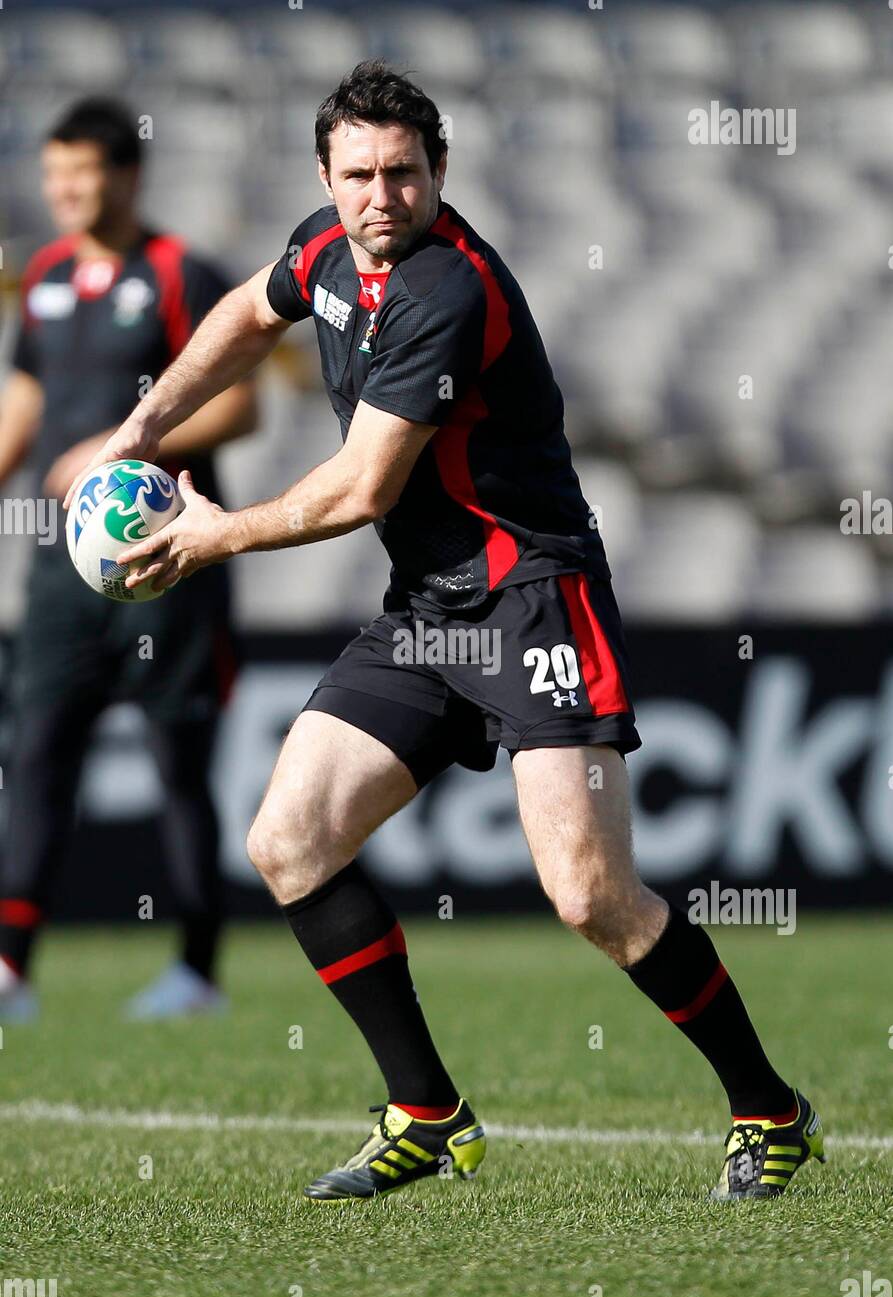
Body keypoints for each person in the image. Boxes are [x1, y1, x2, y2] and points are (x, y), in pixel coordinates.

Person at [66, 63, 825, 1200]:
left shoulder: (444, 289)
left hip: (530, 599)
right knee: (290, 840)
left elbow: (359, 488)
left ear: (440, 171)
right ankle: (426, 1114)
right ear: (325, 179)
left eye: (405, 173)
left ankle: (769, 1111)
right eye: (359, 175)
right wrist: (142, 423)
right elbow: (239, 315)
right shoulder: (324, 249)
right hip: (428, 609)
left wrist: (211, 535)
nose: (383, 197)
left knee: (589, 897)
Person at [0, 98, 257, 1020]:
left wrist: (116, 445)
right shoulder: (44, 276)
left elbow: (240, 405)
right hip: (57, 569)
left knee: (178, 760)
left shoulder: (182, 271)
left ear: (127, 175)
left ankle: (196, 972)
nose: (64, 191)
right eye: (54, 174)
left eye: (83, 173)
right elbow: (27, 401)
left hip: (166, 563)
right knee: (36, 751)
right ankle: (13, 970)